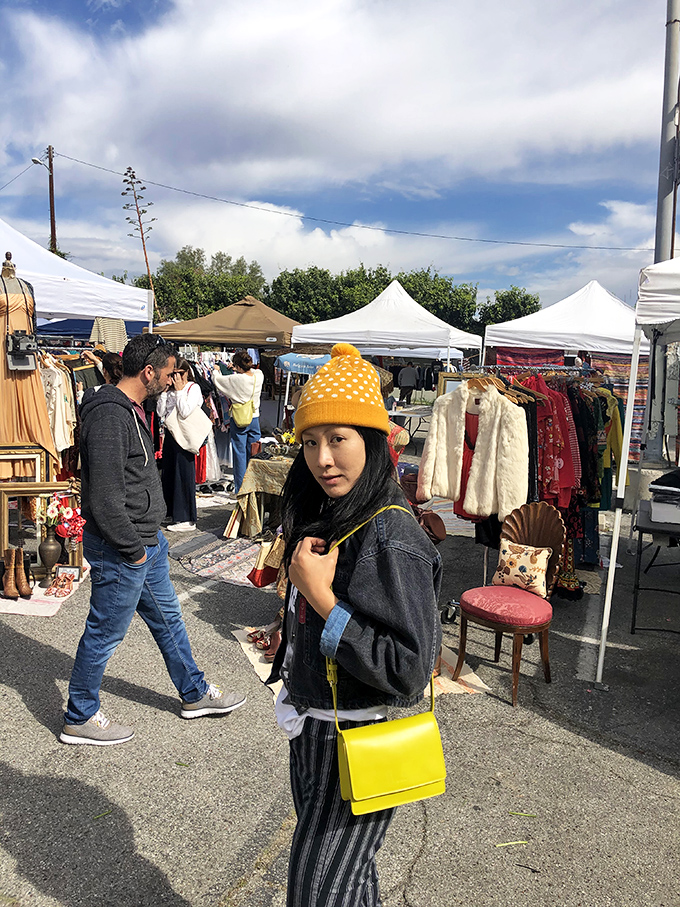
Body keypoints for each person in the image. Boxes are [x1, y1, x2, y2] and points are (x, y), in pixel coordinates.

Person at [268, 343, 442, 907]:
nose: (322, 459)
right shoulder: (339, 512)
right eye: (310, 442)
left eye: (338, 439)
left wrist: (320, 599)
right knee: (348, 884)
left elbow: (408, 668)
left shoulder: (391, 534)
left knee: (317, 893)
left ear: (371, 440)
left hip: (357, 739)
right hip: (315, 730)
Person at [60, 334, 246, 746]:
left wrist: (148, 543)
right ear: (148, 372)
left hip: (146, 542)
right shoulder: (110, 415)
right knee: (105, 632)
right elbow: (104, 499)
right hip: (124, 548)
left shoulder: (129, 409)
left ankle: (194, 693)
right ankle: (79, 715)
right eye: (169, 372)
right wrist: (134, 551)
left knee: (168, 620)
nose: (172, 379)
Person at [157, 357, 202, 531]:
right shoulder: (170, 390)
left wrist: (179, 391)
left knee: (183, 474)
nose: (175, 378)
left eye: (179, 373)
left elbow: (185, 411)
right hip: (171, 433)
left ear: (186, 372)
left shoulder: (193, 388)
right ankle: (171, 512)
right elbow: (161, 412)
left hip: (185, 435)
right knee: (169, 473)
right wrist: (164, 392)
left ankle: (186, 518)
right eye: (172, 374)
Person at [212, 350, 264, 492]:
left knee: (239, 453)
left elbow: (218, 380)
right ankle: (254, 485)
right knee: (254, 452)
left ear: (238, 367)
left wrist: (216, 370)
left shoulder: (236, 379)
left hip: (239, 418)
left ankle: (240, 489)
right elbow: (253, 371)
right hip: (254, 417)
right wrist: (237, 368)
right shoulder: (259, 376)